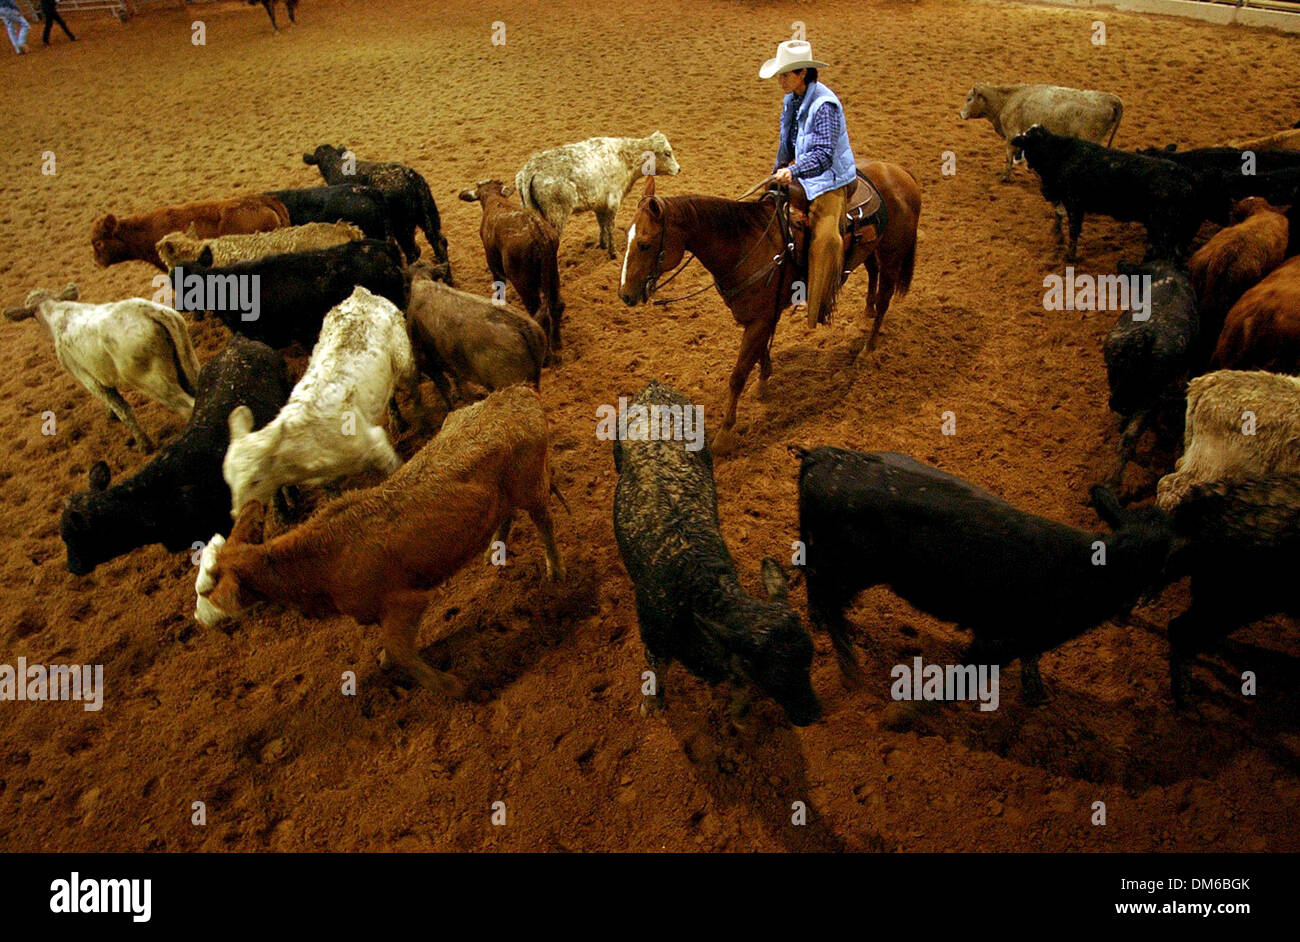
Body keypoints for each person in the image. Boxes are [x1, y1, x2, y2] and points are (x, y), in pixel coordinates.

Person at [760, 39, 858, 328]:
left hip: (830, 181)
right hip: (803, 174)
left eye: (785, 74)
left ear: (802, 73)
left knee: (825, 240)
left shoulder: (824, 105)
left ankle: (816, 305)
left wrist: (795, 170)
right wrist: (776, 171)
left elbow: (825, 155)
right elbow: (786, 143)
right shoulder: (791, 99)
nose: (780, 79)